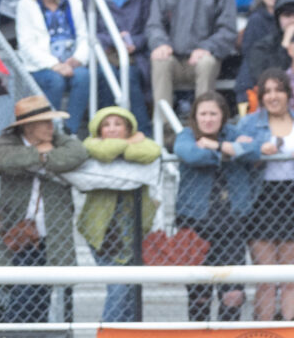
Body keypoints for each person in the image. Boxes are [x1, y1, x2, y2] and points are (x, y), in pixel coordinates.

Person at [0, 95, 88, 323]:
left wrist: (37, 158)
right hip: (19, 236)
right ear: (28, 127)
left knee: (59, 298)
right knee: (24, 300)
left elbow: (77, 153)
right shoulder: (7, 142)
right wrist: (42, 154)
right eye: (45, 122)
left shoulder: (60, 139)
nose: (51, 127)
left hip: (53, 234)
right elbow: (2, 159)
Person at [173, 92, 258, 320]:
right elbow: (190, 155)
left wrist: (215, 145)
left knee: (233, 294)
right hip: (194, 222)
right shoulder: (186, 134)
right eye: (203, 114)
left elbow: (254, 150)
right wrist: (228, 152)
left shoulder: (233, 134)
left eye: (213, 113)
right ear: (195, 116)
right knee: (199, 294)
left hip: (232, 223)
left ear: (223, 116)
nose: (208, 119)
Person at [78, 105, 159, 321]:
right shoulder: (89, 144)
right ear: (97, 130)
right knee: (119, 285)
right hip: (103, 232)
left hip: (134, 231)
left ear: (129, 128)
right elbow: (103, 152)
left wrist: (124, 146)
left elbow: (152, 151)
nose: (112, 129)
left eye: (118, 124)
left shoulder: (142, 143)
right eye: (106, 125)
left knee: (130, 289)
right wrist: (129, 143)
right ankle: (109, 335)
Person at [147, 0, 237, 121]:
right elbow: (155, 23)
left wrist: (207, 47)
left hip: (205, 58)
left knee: (206, 63)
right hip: (172, 58)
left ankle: (204, 128)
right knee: (160, 61)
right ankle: (163, 131)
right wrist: (160, 43)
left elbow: (227, 29)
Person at [239, 69, 294, 320]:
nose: (273, 96)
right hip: (261, 198)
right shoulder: (250, 122)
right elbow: (235, 149)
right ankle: (265, 336)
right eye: (268, 91)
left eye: (278, 90)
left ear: (287, 93)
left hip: (290, 196)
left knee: (290, 277)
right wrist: (256, 150)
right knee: (266, 277)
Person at [18, 0, 90, 134]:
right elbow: (26, 45)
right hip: (41, 66)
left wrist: (78, 59)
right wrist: (54, 64)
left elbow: (84, 35)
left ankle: (69, 131)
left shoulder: (74, 1)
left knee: (84, 76)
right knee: (55, 81)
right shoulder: (26, 4)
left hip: (71, 63)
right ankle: (49, 130)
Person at [85, 0, 152, 114]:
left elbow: (149, 28)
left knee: (131, 75)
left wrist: (134, 42)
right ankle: (106, 127)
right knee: (106, 76)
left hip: (134, 55)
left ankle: (141, 129)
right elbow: (88, 30)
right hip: (104, 54)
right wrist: (115, 40)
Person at [238, 0, 294, 106]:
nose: (292, 20)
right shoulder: (263, 46)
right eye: (287, 15)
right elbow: (267, 79)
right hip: (275, 101)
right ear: (278, 19)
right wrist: (285, 45)